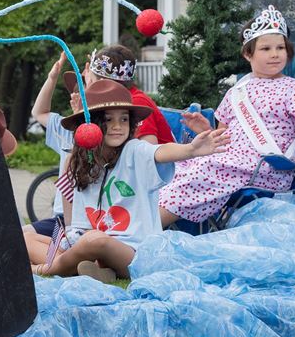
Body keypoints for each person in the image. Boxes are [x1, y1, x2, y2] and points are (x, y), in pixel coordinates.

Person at [25, 73, 226, 282]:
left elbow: (160, 151)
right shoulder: (76, 161)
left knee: (97, 241)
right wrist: (71, 236)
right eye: (108, 119)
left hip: (135, 255)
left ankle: (47, 269)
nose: (118, 126)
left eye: (124, 119)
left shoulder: (134, 151)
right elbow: (74, 220)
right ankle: (95, 270)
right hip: (88, 245)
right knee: (25, 238)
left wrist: (190, 150)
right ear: (91, 124)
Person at [159, 6, 295, 227]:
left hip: (267, 166)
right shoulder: (236, 91)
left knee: (203, 171)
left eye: (280, 47)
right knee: (176, 169)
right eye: (266, 48)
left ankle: (143, 232)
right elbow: (224, 136)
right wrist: (206, 132)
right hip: (231, 160)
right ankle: (131, 223)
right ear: (248, 54)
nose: (275, 54)